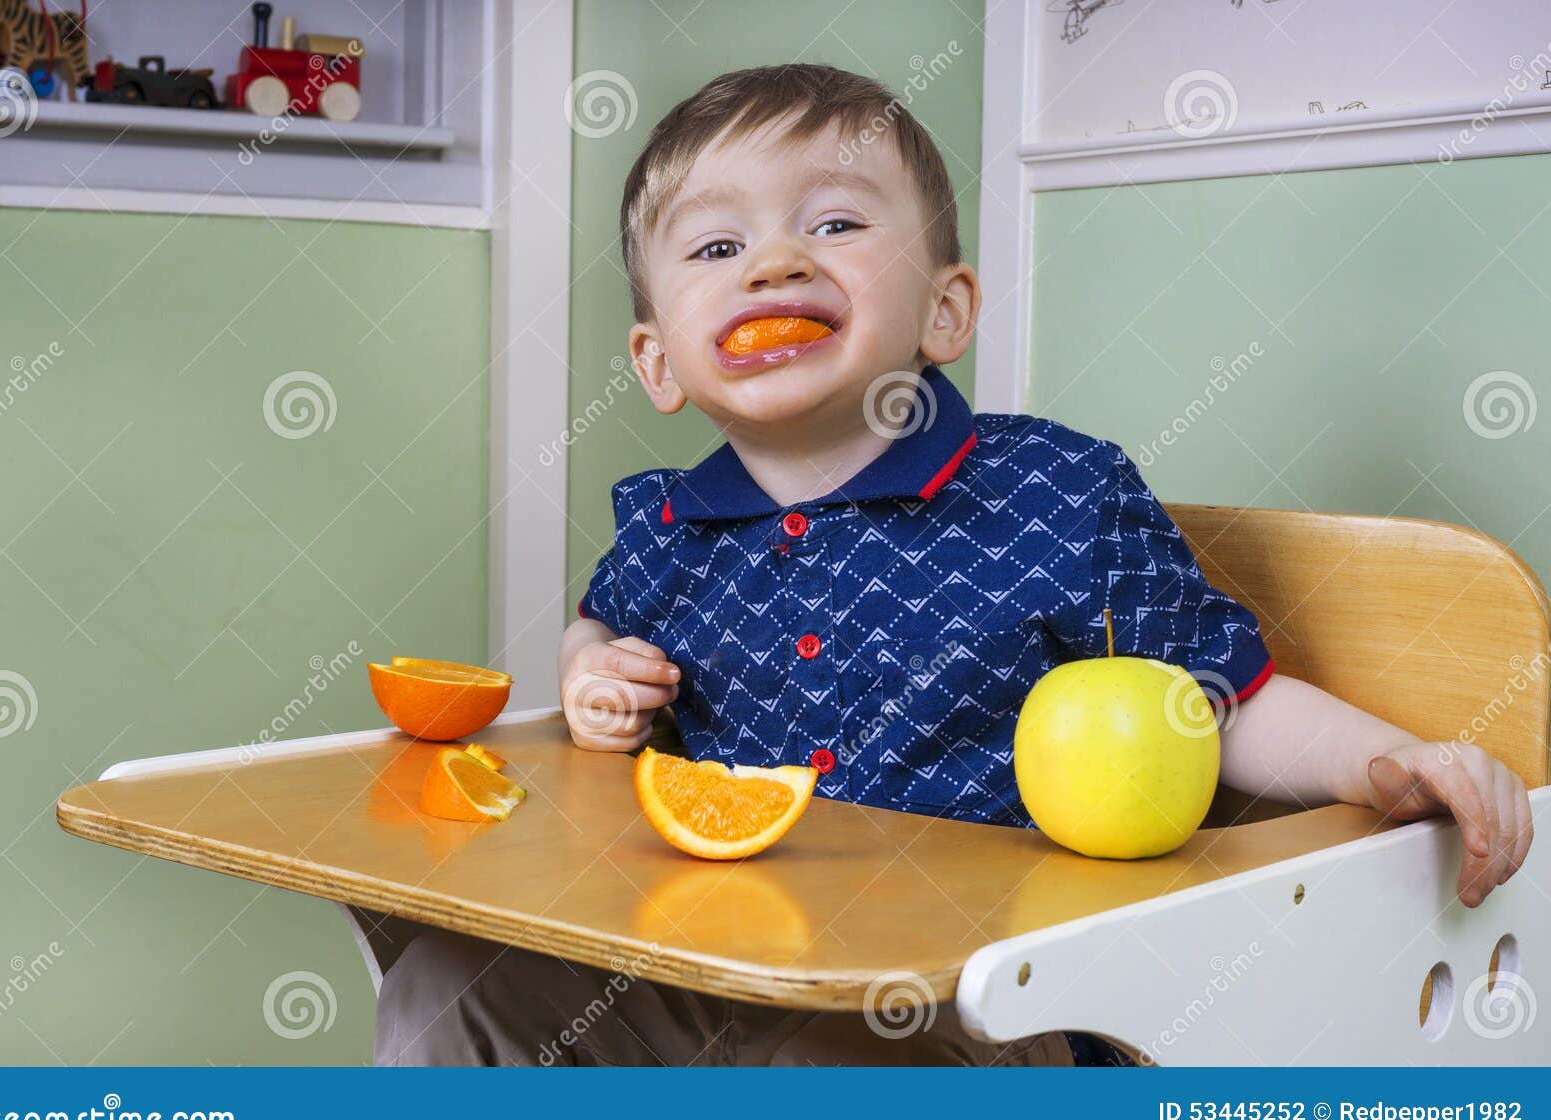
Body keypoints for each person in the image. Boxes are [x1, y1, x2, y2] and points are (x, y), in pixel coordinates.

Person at [375, 63, 1534, 1067]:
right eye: (719, 246)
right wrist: (590, 676)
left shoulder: (1056, 495)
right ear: (659, 360)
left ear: (945, 307)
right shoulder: (665, 529)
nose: (774, 263)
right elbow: (597, 623)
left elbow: (1218, 703)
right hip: (702, 967)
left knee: (821, 1061)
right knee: (443, 986)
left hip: (971, 1011)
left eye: (831, 224)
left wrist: (1389, 758)